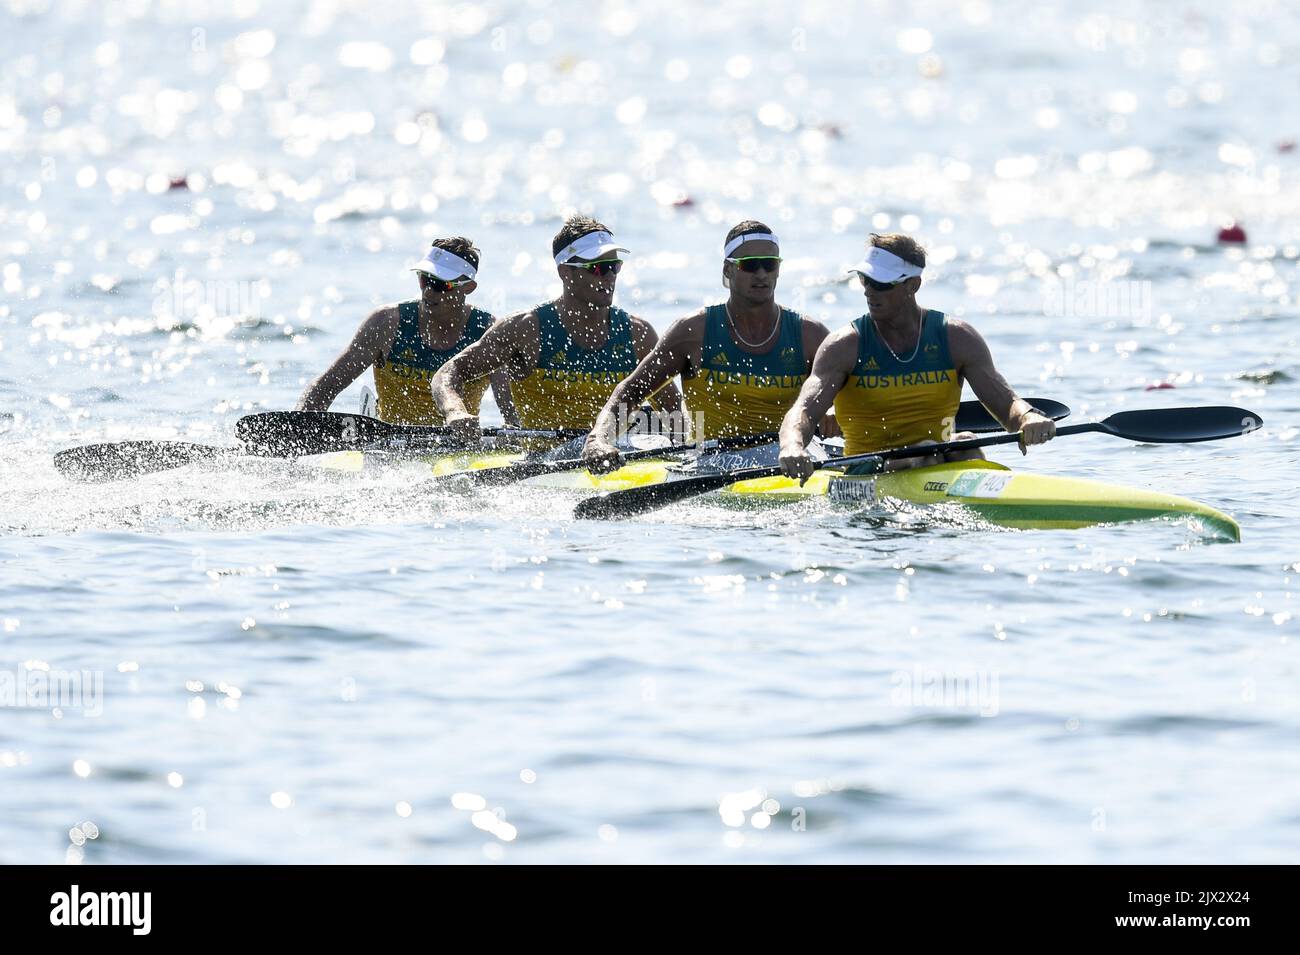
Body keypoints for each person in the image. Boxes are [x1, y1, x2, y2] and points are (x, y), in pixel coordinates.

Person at [779, 232, 1056, 479]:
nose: (869, 290)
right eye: (865, 279)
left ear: (913, 285)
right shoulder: (844, 346)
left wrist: (1027, 418)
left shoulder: (957, 338)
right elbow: (803, 410)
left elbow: (1008, 404)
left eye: (882, 283)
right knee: (925, 452)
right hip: (866, 470)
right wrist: (792, 445)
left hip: (940, 455)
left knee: (965, 443)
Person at [582, 221, 833, 471]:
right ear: (728, 270)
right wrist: (598, 439)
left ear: (778, 269)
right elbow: (632, 391)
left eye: (769, 264)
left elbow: (855, 400)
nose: (761, 274)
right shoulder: (694, 331)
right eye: (749, 265)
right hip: (712, 462)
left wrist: (834, 413)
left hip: (788, 458)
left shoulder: (810, 335)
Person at [432, 215, 681, 438]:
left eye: (614, 266)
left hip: (615, 457)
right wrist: (455, 412)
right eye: (597, 268)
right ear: (565, 272)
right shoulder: (526, 329)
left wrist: (696, 454)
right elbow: (448, 373)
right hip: (545, 459)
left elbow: (676, 415)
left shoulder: (638, 333)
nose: (609, 276)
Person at [296, 236, 513, 425]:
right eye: (424, 279)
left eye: (440, 285)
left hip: (458, 447)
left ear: (468, 288)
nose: (428, 292)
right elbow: (325, 387)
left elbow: (510, 412)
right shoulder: (385, 323)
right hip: (392, 444)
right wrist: (299, 427)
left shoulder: (488, 331)